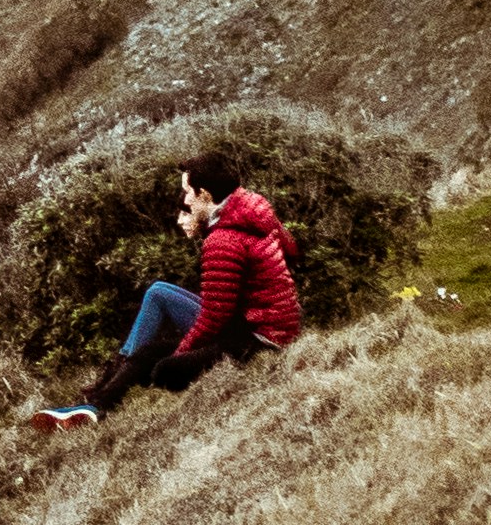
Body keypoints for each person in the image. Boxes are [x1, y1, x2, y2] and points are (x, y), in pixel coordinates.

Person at [31, 160, 301, 427]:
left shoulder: (223, 240)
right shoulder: (251, 207)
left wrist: (180, 354)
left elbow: (214, 318)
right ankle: (96, 404)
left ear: (204, 194)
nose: (185, 199)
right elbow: (292, 250)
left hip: (257, 338)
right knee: (154, 334)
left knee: (163, 368)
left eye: (187, 192)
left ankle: (98, 402)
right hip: (267, 325)